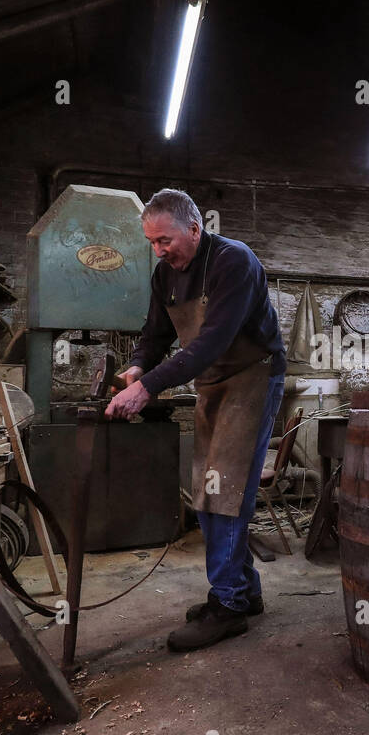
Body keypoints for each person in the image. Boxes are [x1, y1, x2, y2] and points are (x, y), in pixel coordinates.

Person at [105, 188, 285, 652]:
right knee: (209, 491)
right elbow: (155, 334)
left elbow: (212, 343)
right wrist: (137, 368)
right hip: (210, 383)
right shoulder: (165, 274)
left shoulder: (233, 262)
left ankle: (226, 607)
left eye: (166, 240)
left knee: (224, 493)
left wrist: (149, 389)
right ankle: (244, 593)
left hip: (251, 377)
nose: (160, 251)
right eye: (152, 242)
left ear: (194, 228)